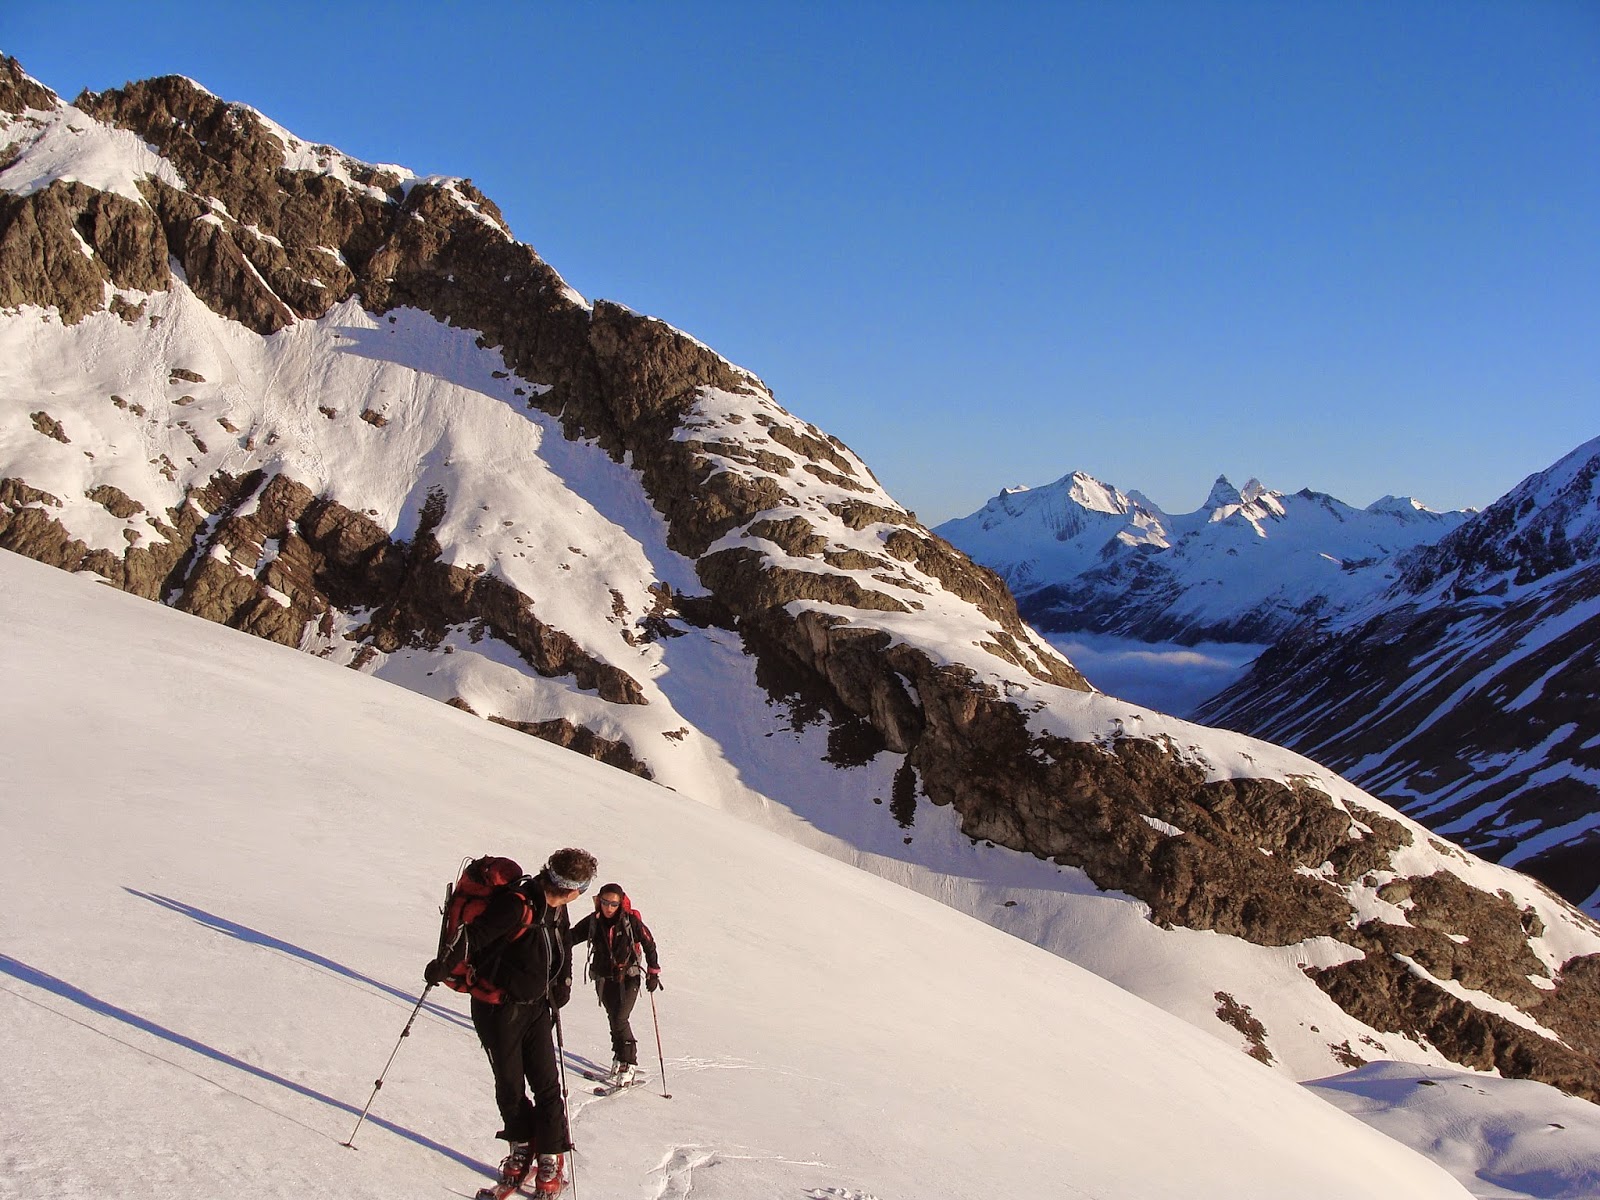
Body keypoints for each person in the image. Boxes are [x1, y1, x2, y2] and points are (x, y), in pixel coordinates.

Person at [427, 847, 597, 1198]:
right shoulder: (518, 904)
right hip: (498, 1009)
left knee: (548, 1086)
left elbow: (562, 944)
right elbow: (475, 938)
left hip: (537, 1008)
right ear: (571, 888)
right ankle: (521, 1146)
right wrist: (443, 965)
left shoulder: (556, 908)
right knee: (509, 1085)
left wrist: (562, 983)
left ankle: (549, 1156)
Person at [568, 882, 661, 1087]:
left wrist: (653, 972)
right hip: (603, 978)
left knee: (620, 1017)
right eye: (605, 902)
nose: (609, 907)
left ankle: (629, 1062)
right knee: (614, 1018)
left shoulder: (630, 922)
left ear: (620, 904)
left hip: (629, 977)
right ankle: (619, 1058)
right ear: (599, 901)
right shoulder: (594, 921)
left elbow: (648, 943)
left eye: (613, 904)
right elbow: (572, 936)